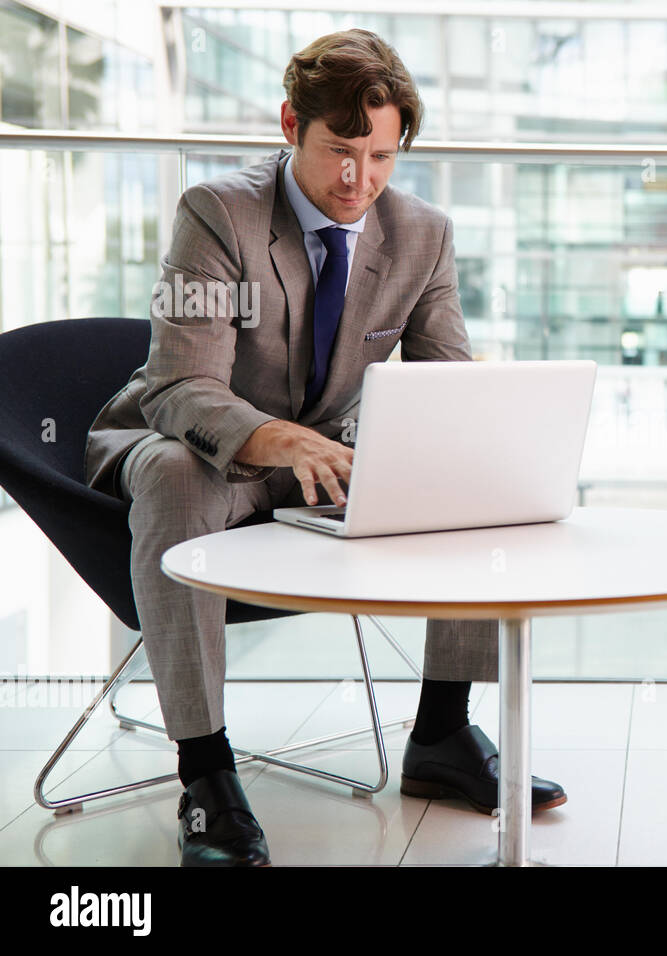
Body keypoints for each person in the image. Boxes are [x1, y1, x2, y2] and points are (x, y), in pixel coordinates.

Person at [82, 28, 565, 867]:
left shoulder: (423, 234)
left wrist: (472, 438)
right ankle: (206, 777)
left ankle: (443, 733)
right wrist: (273, 438)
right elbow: (177, 385)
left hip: (330, 465)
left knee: (477, 463)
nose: (359, 180)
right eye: (340, 151)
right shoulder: (216, 212)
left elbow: (448, 388)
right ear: (289, 125)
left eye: (381, 157)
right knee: (171, 472)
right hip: (205, 452)